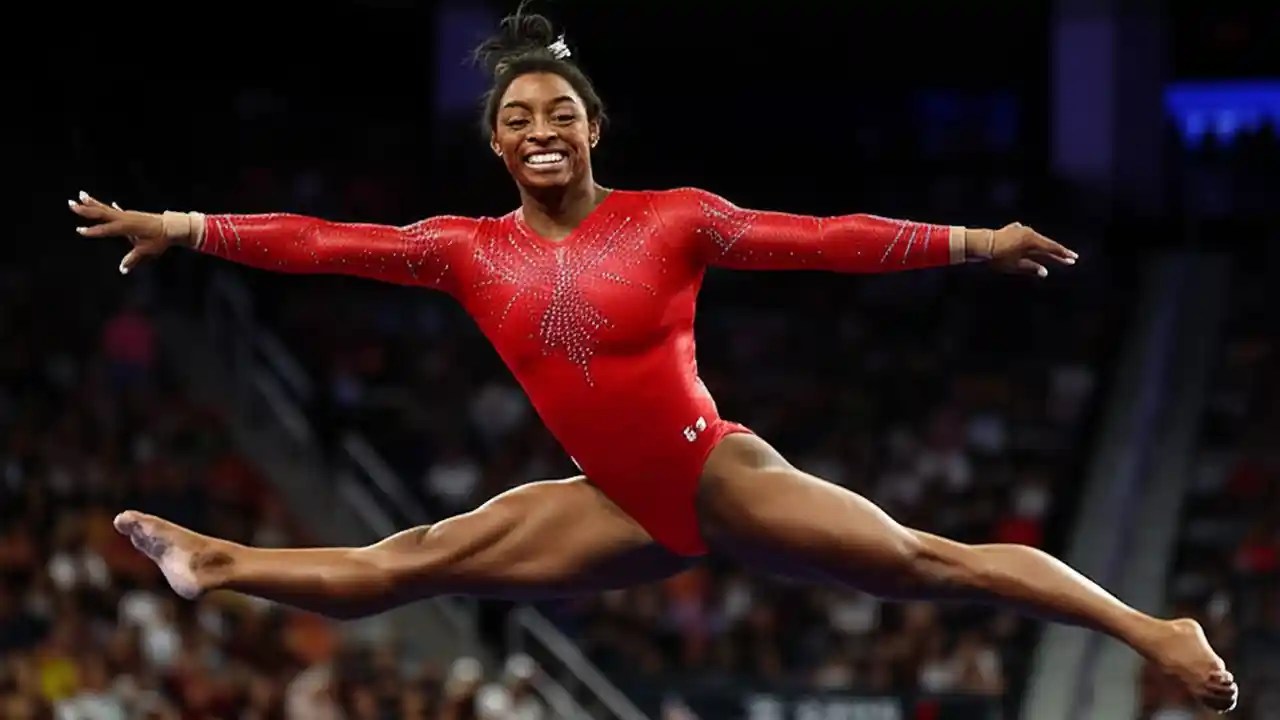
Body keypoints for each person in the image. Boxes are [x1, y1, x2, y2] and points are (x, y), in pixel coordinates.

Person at [68, 9, 1237, 712]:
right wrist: (177, 229)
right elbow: (320, 244)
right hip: (621, 505)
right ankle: (218, 561)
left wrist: (974, 241)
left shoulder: (671, 219)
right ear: (494, 141)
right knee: (407, 563)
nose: (539, 128)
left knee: (935, 563)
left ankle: (1151, 633)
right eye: (518, 115)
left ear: (591, 127)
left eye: (559, 112)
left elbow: (818, 241)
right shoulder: (458, 252)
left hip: (711, 472)